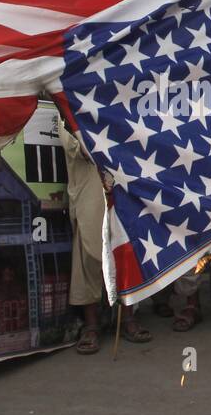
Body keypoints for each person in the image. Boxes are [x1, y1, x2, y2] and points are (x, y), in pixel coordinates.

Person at [61, 127, 151, 353]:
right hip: (89, 196)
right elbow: (83, 150)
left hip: (122, 191)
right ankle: (91, 325)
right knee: (87, 258)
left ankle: (128, 317)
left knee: (126, 251)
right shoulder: (64, 115)